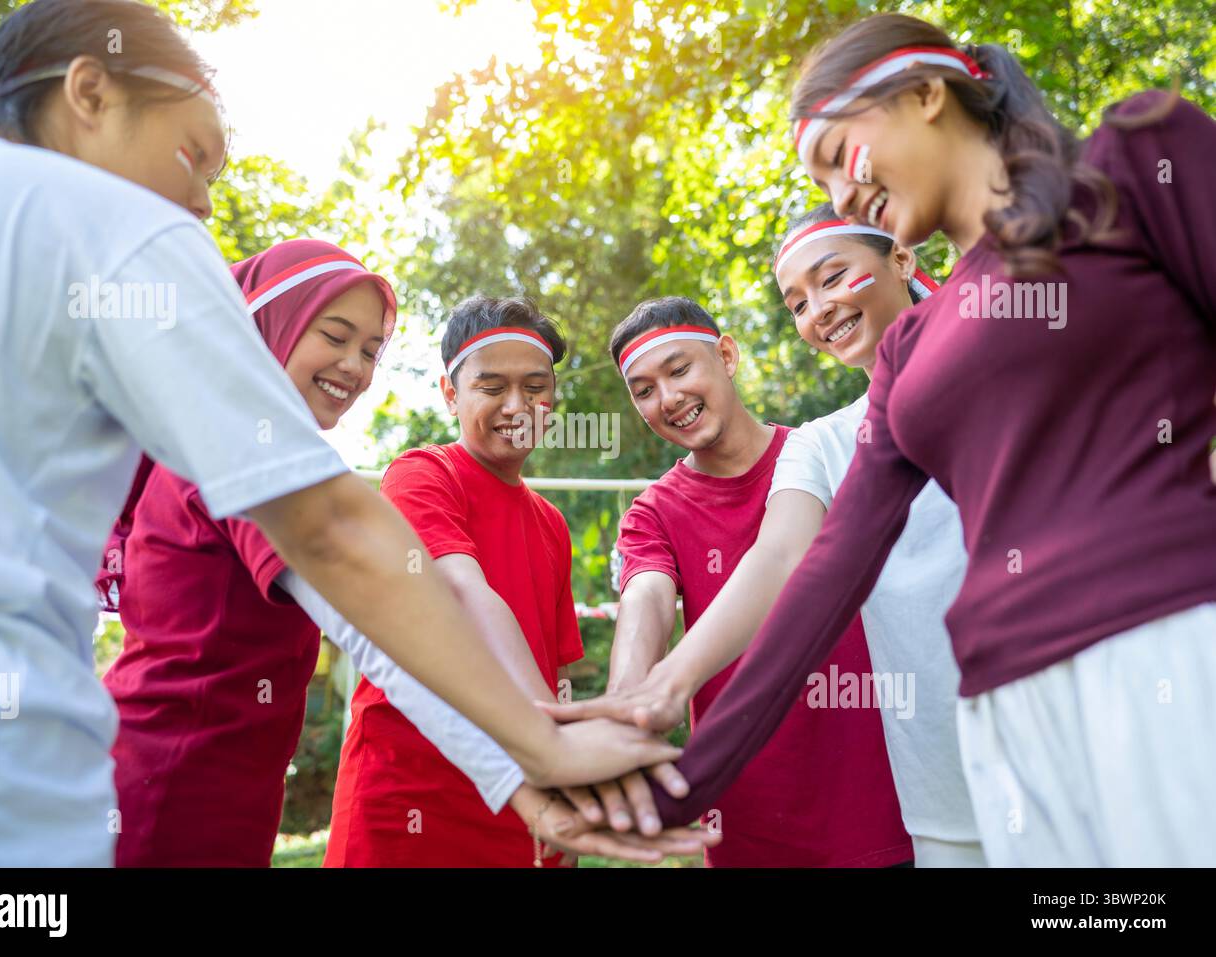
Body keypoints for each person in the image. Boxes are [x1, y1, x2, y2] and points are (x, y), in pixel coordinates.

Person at [0, 0, 689, 866]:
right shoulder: (113, 226)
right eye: (194, 155)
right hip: (1, 791)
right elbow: (336, 543)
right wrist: (533, 755)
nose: (202, 206)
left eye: (371, 348)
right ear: (89, 91)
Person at [635, 14, 1216, 866]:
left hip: (1160, 643)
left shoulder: (1132, 160)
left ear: (925, 93)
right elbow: (825, 568)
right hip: (1006, 713)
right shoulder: (909, 349)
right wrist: (675, 784)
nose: (838, 195)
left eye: (840, 154)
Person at [548, 211, 985, 866]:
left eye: (833, 278)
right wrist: (633, 700)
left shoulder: (990, 367)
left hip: (910, 786)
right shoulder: (823, 449)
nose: (667, 398)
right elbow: (742, 569)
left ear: (726, 355)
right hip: (889, 797)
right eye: (644, 390)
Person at [322, 296, 696, 866]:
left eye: (535, 388)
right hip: (408, 797)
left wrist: (556, 772)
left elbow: (557, 669)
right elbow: (466, 595)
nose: (517, 407)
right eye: (492, 389)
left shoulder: (550, 524)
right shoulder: (422, 474)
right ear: (451, 395)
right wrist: (559, 754)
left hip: (520, 806)